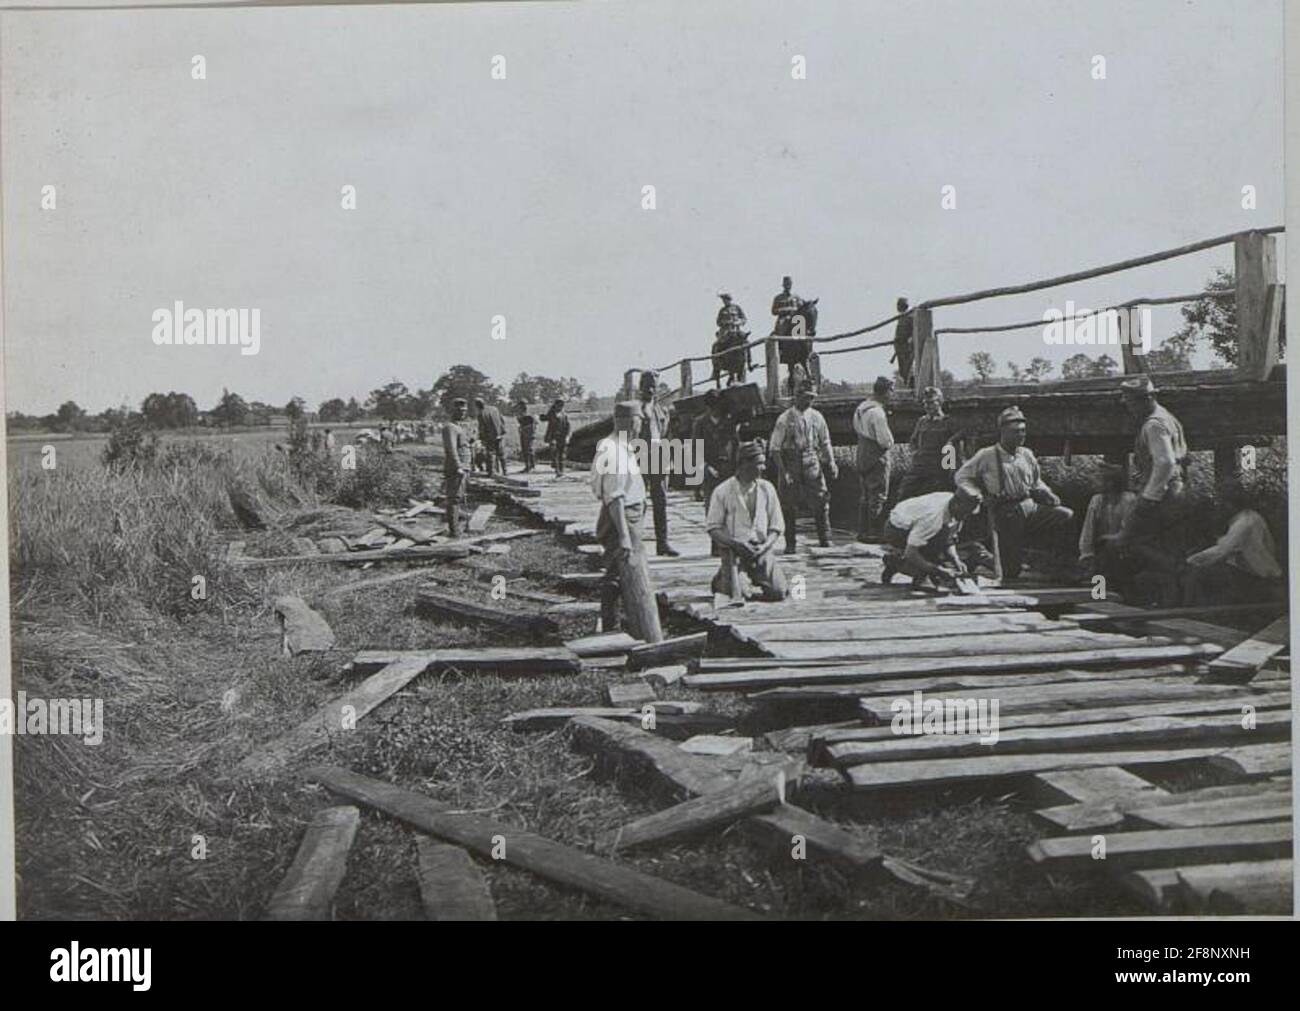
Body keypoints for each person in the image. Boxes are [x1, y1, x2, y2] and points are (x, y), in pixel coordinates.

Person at [955, 406, 1074, 579]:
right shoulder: (987, 455)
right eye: (1016, 432)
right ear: (1003, 431)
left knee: (1065, 515)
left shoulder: (1027, 454)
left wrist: (1048, 493)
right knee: (1011, 571)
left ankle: (1056, 564)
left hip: (1029, 506)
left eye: (1023, 431)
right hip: (1005, 511)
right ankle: (979, 555)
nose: (1021, 436)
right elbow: (962, 477)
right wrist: (976, 494)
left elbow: (1035, 481)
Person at [591, 402, 664, 643]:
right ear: (631, 422)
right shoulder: (614, 451)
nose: (641, 425)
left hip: (628, 514)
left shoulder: (618, 446)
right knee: (618, 570)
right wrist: (623, 534)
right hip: (624, 517)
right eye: (640, 421)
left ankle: (619, 624)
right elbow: (615, 497)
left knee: (620, 571)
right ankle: (612, 628)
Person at [1111, 375, 1190, 588]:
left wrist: (1149, 497)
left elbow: (1164, 462)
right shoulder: (1168, 418)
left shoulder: (1154, 425)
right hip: (1177, 489)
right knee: (1165, 543)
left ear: (1146, 399)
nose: (1129, 408)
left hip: (1162, 493)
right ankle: (1174, 593)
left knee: (1130, 540)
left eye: (1131, 402)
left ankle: (1180, 571)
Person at [707, 441, 788, 601]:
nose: (764, 468)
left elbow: (776, 527)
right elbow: (713, 528)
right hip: (734, 550)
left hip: (760, 550)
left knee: (779, 592)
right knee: (738, 594)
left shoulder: (767, 488)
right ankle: (722, 579)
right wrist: (735, 544)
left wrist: (765, 546)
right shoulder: (723, 490)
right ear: (744, 464)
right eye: (760, 464)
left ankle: (755, 576)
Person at [1182, 481, 1283, 606]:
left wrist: (1194, 560)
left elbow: (1223, 550)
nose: (1221, 507)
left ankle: (1187, 608)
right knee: (1201, 571)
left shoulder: (1245, 522)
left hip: (1256, 573)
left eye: (1223, 503)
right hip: (1252, 569)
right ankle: (1191, 606)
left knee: (1196, 573)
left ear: (1231, 504)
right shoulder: (1247, 517)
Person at [769, 381, 837, 552]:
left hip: (811, 459)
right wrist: (783, 472)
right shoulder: (784, 419)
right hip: (790, 461)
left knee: (821, 498)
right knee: (788, 503)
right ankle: (790, 543)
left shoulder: (817, 417)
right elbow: (775, 449)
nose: (809, 401)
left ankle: (825, 538)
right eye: (806, 397)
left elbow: (825, 441)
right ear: (797, 396)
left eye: (812, 398)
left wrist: (831, 462)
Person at [880, 486, 982, 588]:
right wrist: (937, 570)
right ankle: (896, 563)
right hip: (896, 530)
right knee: (928, 559)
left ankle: (927, 570)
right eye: (965, 512)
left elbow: (949, 539)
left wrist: (956, 561)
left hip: (916, 523)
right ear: (956, 505)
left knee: (938, 544)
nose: (966, 516)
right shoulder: (933, 518)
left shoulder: (955, 504)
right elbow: (911, 552)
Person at [1078, 462, 1141, 598]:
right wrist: (1086, 553)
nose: (1097, 483)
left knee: (1111, 554)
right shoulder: (1097, 500)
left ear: (1111, 483)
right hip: (1103, 548)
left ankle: (1126, 596)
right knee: (1099, 559)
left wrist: (1112, 539)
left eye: (1100, 480)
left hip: (1125, 547)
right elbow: (1088, 529)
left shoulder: (1128, 500)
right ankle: (1099, 596)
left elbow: (1128, 530)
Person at [896, 386, 964, 500]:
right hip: (921, 465)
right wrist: (914, 453)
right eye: (925, 403)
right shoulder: (922, 421)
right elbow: (913, 441)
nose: (927, 406)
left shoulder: (948, 422)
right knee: (904, 492)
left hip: (939, 466)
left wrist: (951, 465)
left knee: (942, 495)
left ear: (940, 402)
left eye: (931, 402)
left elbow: (957, 440)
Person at [638, 371, 679, 556]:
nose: (651, 389)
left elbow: (666, 435)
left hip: (658, 459)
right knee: (637, 503)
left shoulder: (661, 411)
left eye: (654, 386)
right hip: (638, 458)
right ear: (640, 387)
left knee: (660, 502)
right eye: (647, 385)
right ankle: (634, 544)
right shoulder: (635, 409)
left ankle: (662, 543)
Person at [690, 391, 735, 557]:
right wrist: (705, 468)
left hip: (727, 469)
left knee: (729, 507)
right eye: (713, 406)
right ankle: (716, 546)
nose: (716, 410)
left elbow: (734, 443)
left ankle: (727, 543)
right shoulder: (700, 423)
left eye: (719, 406)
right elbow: (695, 449)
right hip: (709, 470)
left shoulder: (728, 421)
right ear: (708, 407)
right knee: (712, 510)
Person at [852, 376, 895, 542]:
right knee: (878, 495)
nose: (892, 395)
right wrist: (890, 443)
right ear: (885, 392)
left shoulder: (861, 408)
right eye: (891, 391)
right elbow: (885, 441)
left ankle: (862, 531)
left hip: (862, 452)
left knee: (865, 495)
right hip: (877, 455)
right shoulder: (877, 413)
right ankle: (874, 532)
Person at [442, 398, 475, 537]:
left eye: (464, 410)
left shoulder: (460, 427)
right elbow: (451, 449)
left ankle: (456, 528)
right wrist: (458, 466)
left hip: (464, 466)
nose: (462, 413)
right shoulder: (450, 427)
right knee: (454, 499)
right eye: (459, 410)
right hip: (457, 468)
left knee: (459, 497)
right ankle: (454, 531)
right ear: (452, 410)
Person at [474, 397, 508, 476]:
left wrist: (481, 438)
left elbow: (482, 428)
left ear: (477, 406)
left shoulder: (481, 414)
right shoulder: (494, 409)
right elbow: (502, 419)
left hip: (490, 437)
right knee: (501, 454)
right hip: (499, 434)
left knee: (491, 453)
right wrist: (502, 430)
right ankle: (504, 471)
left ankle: (492, 472)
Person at [543, 398, 571, 475]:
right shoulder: (551, 414)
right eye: (559, 405)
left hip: (562, 436)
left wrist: (567, 436)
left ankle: (561, 470)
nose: (560, 407)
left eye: (562, 405)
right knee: (555, 453)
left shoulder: (564, 414)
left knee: (562, 454)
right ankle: (557, 470)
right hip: (553, 436)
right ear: (555, 405)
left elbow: (568, 426)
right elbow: (544, 418)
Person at [892, 297, 914, 385]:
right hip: (899, 346)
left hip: (905, 345)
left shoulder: (910, 316)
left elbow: (913, 331)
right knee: (903, 370)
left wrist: (910, 340)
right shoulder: (901, 317)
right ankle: (907, 384)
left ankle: (910, 384)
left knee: (907, 368)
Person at [515, 400, 537, 472]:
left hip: (528, 433)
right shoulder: (521, 414)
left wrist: (527, 430)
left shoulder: (529, 414)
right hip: (524, 433)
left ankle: (530, 466)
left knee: (528, 450)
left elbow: (533, 424)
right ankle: (529, 466)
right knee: (525, 450)